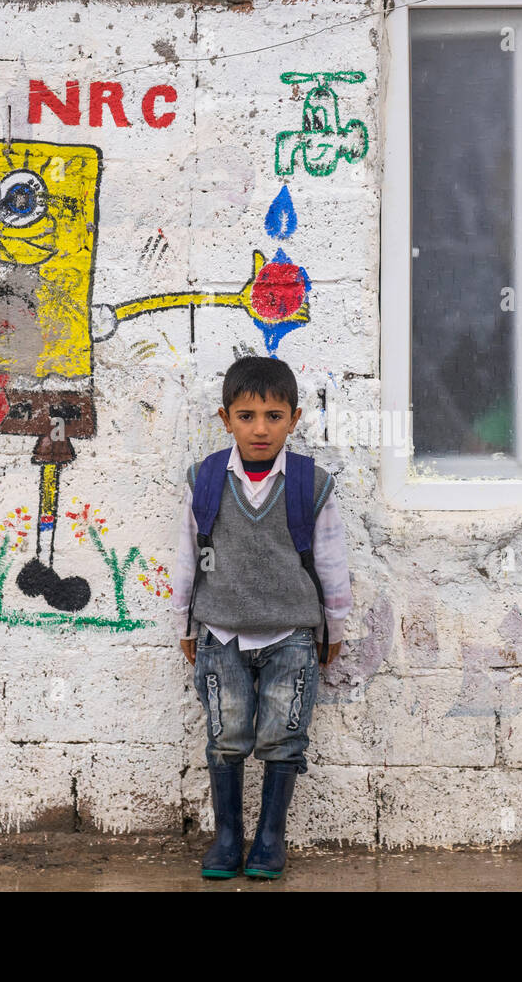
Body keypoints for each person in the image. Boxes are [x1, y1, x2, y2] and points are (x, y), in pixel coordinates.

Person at [170, 356, 352, 880]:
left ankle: (270, 839)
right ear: (226, 418)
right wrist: (185, 622)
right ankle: (227, 838)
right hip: (219, 635)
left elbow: (331, 562)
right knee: (225, 738)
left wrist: (332, 627)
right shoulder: (205, 480)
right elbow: (188, 555)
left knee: (283, 737)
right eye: (247, 415)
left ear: (294, 420)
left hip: (291, 637)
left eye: (274, 416)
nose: (260, 428)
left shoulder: (309, 485)